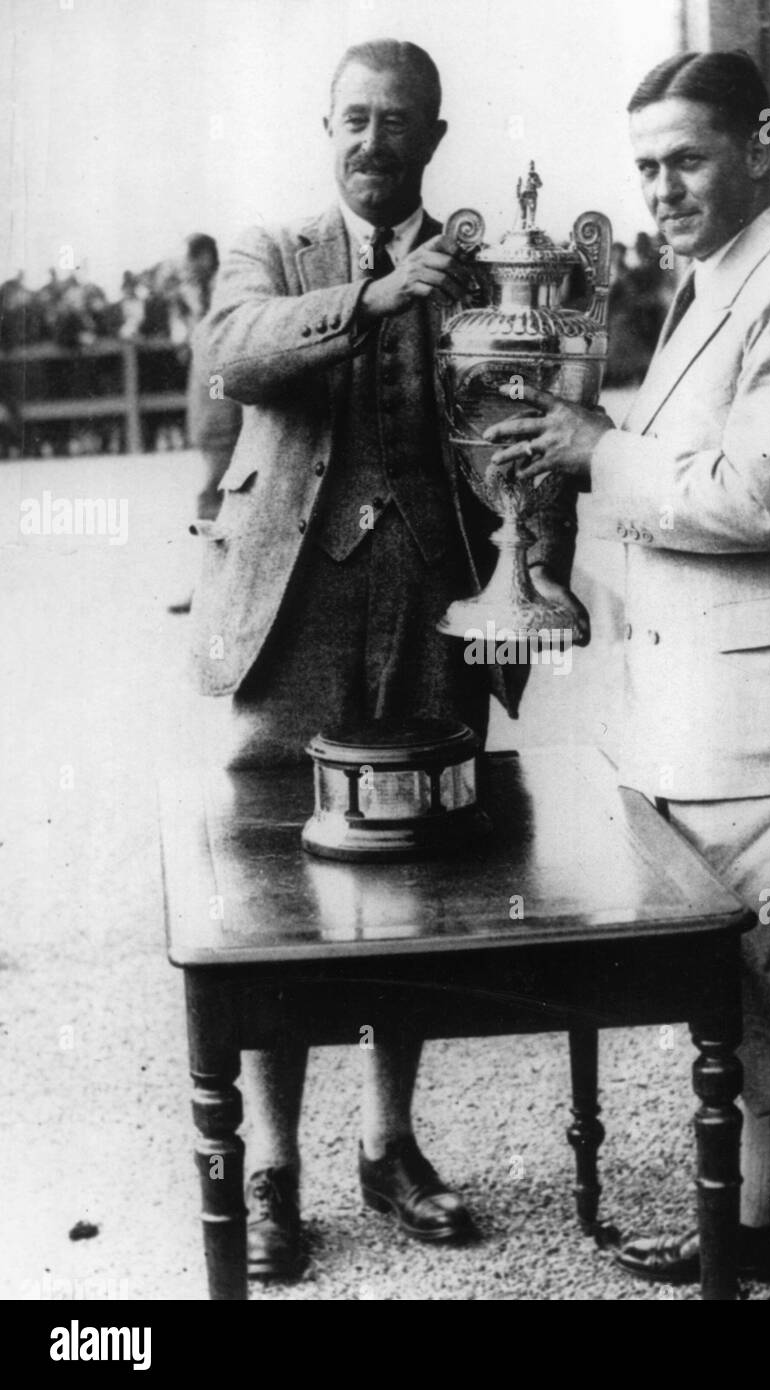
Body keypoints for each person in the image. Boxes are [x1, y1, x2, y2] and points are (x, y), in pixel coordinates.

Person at [485, 49, 770, 1301]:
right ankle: (760, 1226)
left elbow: (758, 499)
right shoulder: (715, 279)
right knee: (744, 978)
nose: (660, 187)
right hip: (705, 712)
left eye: (688, 160)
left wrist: (601, 450)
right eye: (647, 165)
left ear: (759, 149)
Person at [188, 38, 586, 1281]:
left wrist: (541, 555)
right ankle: (272, 1168)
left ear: (434, 133)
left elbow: (534, 408)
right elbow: (235, 357)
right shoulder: (275, 252)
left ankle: (389, 1143)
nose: (372, 140)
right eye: (354, 118)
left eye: (397, 120)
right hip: (294, 610)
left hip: (435, 604)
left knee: (413, 873)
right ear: (327, 124)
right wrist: (370, 299)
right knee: (276, 895)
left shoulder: (486, 268)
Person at [168, 235, 243, 613]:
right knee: (215, 495)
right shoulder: (190, 299)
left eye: (190, 258)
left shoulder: (223, 292)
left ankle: (218, 590)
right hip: (207, 407)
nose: (186, 266)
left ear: (205, 257)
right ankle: (215, 587)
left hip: (222, 409)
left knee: (216, 495)